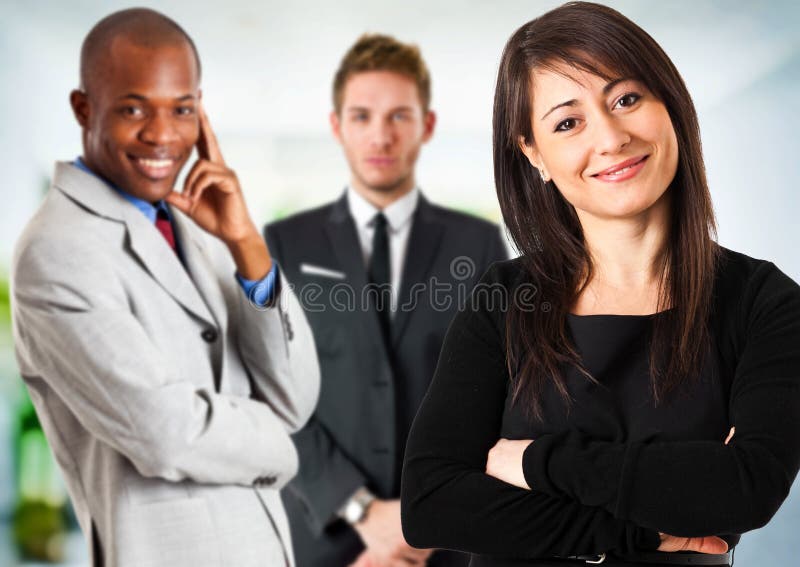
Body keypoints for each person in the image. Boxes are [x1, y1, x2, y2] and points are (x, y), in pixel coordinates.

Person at [400, 2, 800, 567]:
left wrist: (536, 463)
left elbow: (746, 489)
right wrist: (648, 528)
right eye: (568, 122)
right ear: (533, 155)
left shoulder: (764, 302)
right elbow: (432, 506)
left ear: (671, 105)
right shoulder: (505, 297)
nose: (610, 137)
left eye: (626, 99)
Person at [11, 9, 319, 567]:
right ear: (84, 108)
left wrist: (245, 243)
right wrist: (279, 444)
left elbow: (294, 397)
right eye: (133, 108)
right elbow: (167, 432)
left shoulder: (196, 228)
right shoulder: (56, 251)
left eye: (181, 110)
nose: (161, 135)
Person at [264, 34, 507, 567]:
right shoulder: (284, 244)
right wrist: (361, 511)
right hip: (320, 539)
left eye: (399, 116)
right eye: (362, 116)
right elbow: (268, 391)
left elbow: (504, 395)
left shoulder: (480, 245)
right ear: (337, 126)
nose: (381, 135)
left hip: (447, 545)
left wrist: (423, 525)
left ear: (427, 126)